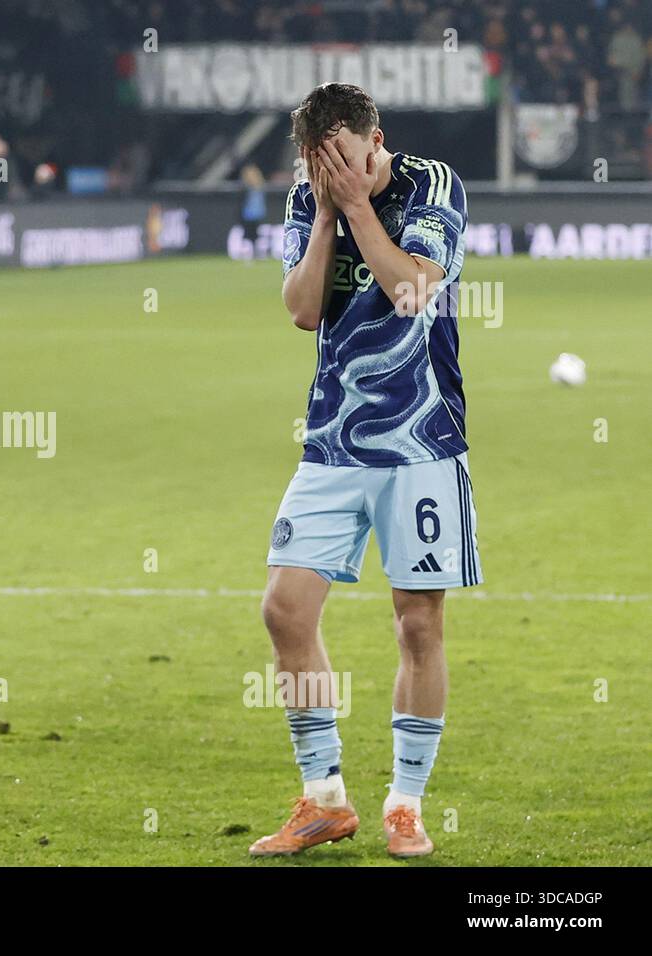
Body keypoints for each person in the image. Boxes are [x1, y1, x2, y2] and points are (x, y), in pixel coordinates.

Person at [251, 82, 480, 859]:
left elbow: (413, 289)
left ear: (376, 140)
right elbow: (303, 310)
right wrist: (322, 213)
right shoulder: (307, 199)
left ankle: (406, 804)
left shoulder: (431, 184)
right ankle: (323, 799)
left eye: (345, 162)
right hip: (333, 442)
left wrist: (355, 208)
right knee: (284, 609)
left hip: (421, 441)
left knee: (418, 621)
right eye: (319, 167)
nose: (335, 175)